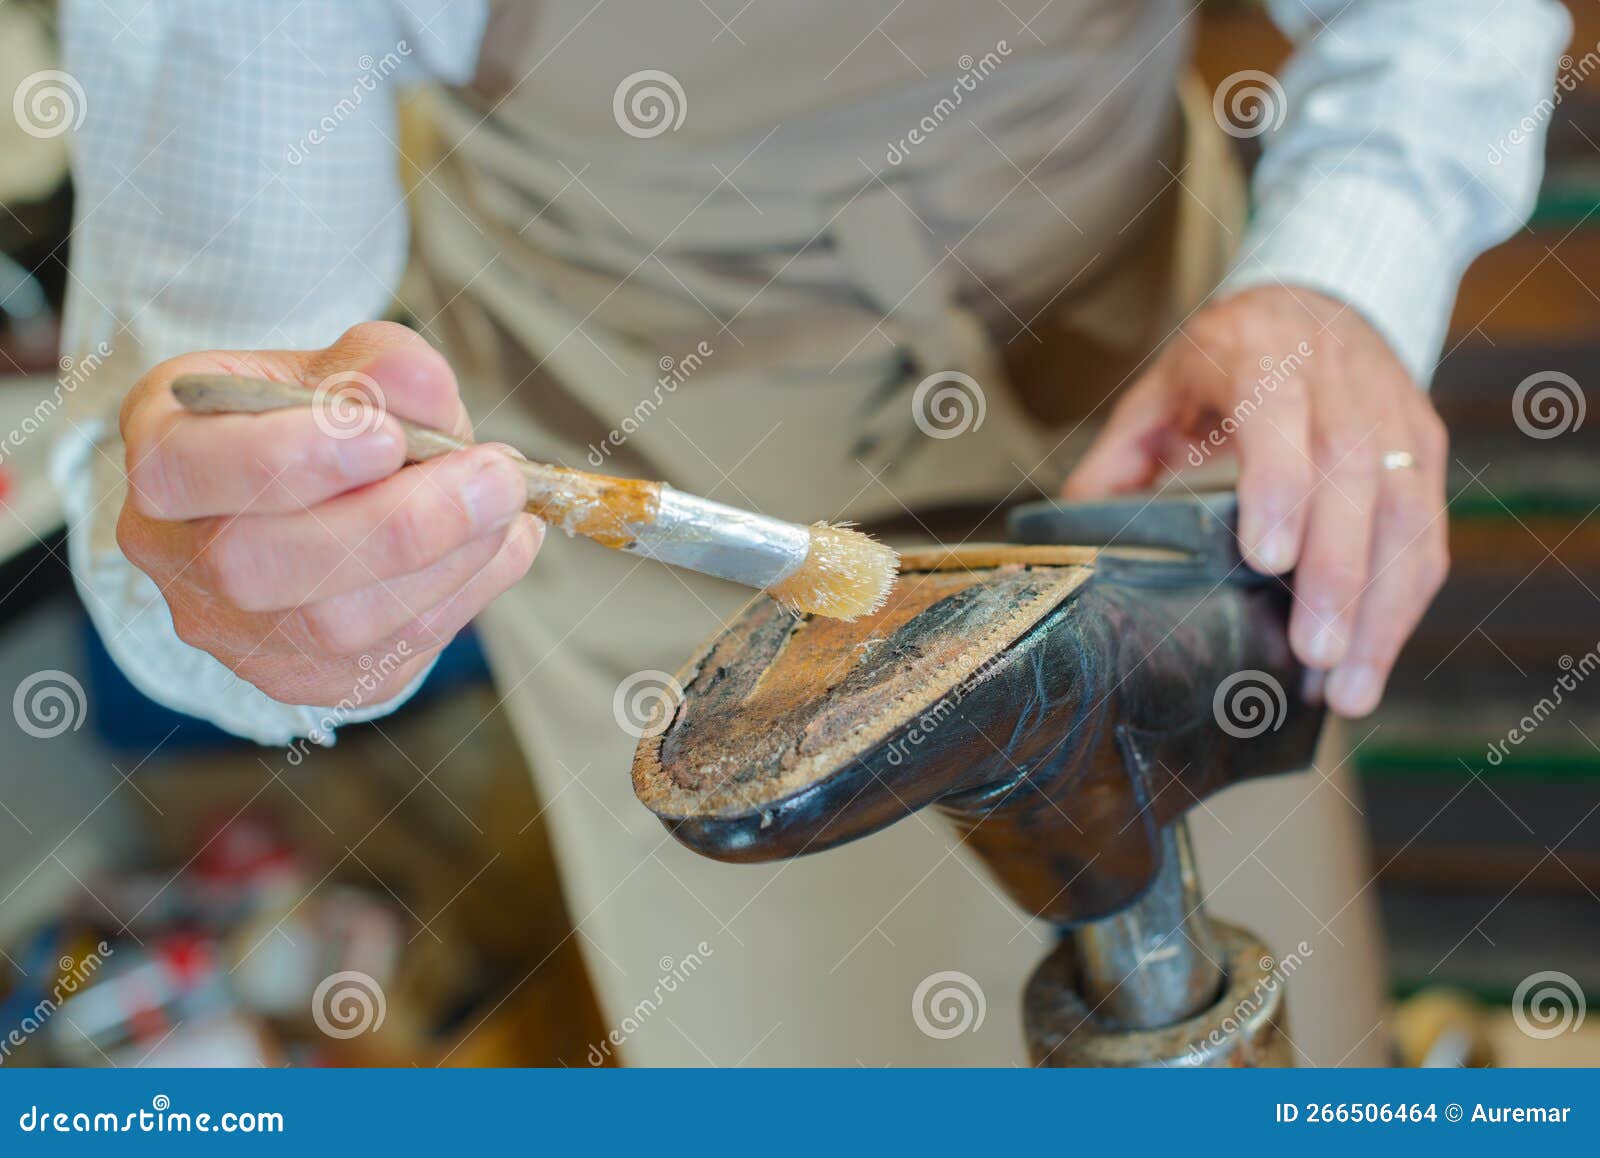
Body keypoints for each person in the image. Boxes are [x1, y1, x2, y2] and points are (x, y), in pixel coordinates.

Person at [55, 1, 1568, 1064]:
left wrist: (1338, 282)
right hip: (675, 564)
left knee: (1255, 1025)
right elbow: (199, 409)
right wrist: (255, 577)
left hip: (1169, 462)